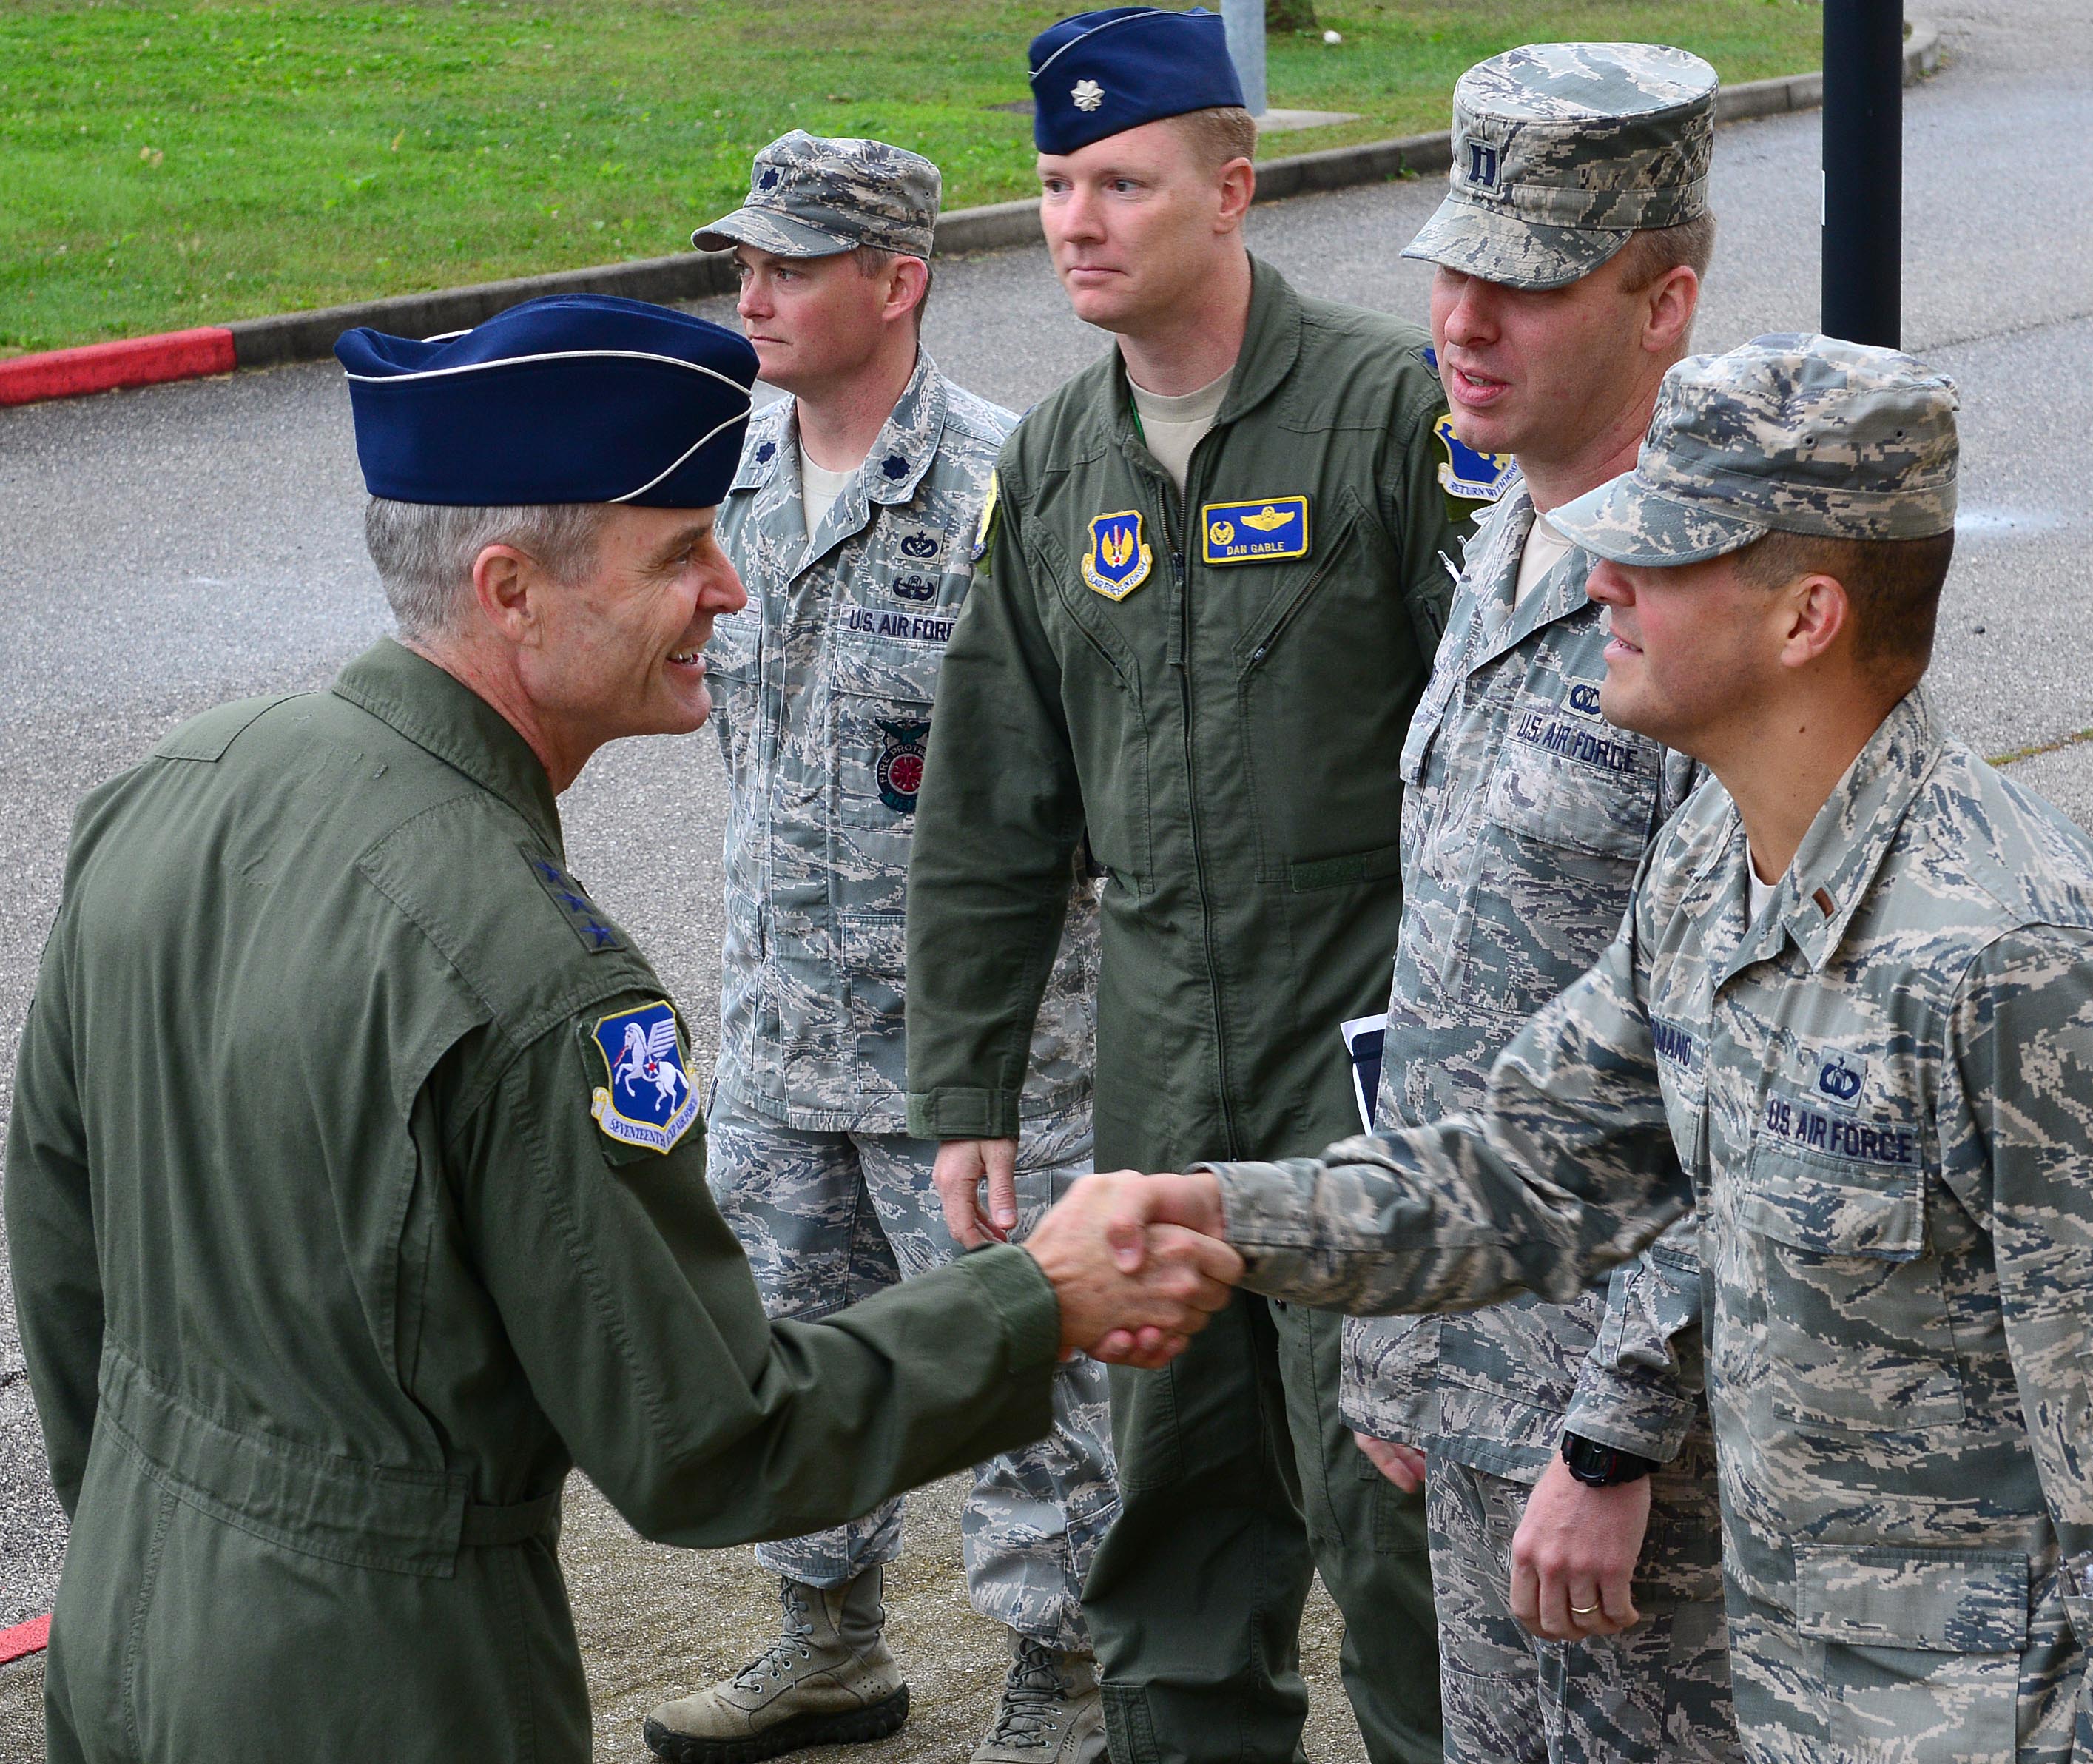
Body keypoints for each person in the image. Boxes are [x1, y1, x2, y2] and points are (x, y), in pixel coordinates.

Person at [3, 293, 1239, 1764]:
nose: (729, 587)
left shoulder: (181, 787)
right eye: (676, 554)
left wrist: (151, 1539)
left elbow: (63, 1251)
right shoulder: (536, 982)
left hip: (127, 1631)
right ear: (510, 587)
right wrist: (1037, 1302)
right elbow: (710, 1437)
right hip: (386, 1685)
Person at [1104, 334, 2093, 1763]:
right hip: (1789, 1697)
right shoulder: (1714, 868)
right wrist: (1220, 1220)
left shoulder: (2015, 956)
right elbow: (1518, 1177)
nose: (1602, 581)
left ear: (1805, 619)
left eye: (1658, 558)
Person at [902, 9, 1477, 1759]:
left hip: (1365, 1064)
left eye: (1123, 181)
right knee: (1174, 1522)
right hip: (1156, 1063)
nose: (1077, 218)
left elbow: (1505, 768)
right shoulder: (1057, 467)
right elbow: (994, 800)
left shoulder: (1391, 417)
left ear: (1232, 190)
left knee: (1389, 1519)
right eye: (1057, 182)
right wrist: (969, 1084)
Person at [638, 132, 1119, 1764]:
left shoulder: (1022, 484)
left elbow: (1094, 786)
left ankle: (1067, 1674)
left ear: (896, 283)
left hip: (976, 1065)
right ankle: (828, 1643)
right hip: (781, 1041)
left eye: (789, 265)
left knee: (1022, 1379)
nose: (751, 295)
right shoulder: (731, 484)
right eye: (744, 264)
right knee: (786, 1354)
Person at [1338, 44, 1738, 1764]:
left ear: (1665, 304)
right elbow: (1453, 983)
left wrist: (1615, 1440)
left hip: (1646, 1442)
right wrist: (1400, 1331)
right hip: (1482, 1376)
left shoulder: (1718, 606)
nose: (1463, 323)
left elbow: (1760, 1072)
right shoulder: (1507, 534)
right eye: (1453, 273)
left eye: (1526, 285)